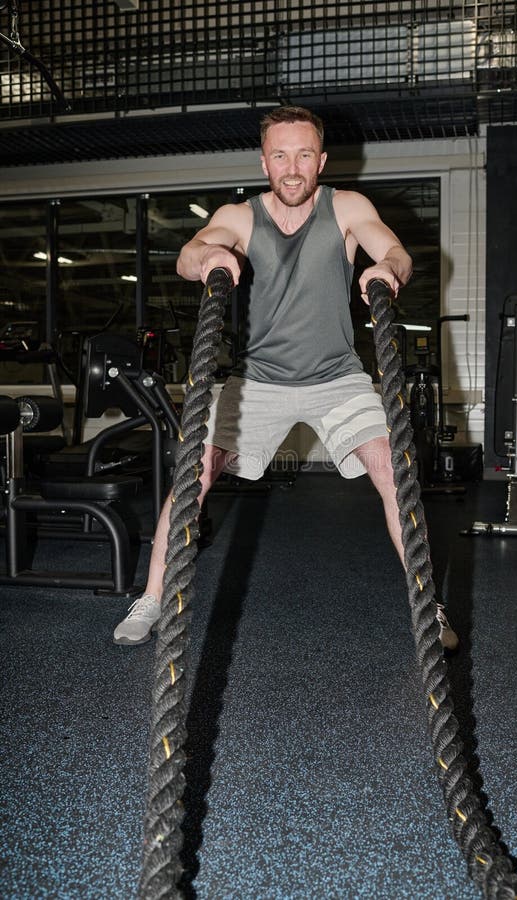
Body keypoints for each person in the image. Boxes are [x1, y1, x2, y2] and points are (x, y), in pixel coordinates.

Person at [113, 106, 458, 651]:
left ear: (320, 160)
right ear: (264, 161)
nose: (292, 168)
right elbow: (187, 254)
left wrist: (387, 270)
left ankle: (427, 605)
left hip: (338, 377)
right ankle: (153, 597)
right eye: (280, 156)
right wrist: (210, 256)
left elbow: (393, 249)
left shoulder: (346, 207)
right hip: (258, 381)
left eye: (303, 155)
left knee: (394, 469)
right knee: (192, 472)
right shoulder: (242, 215)